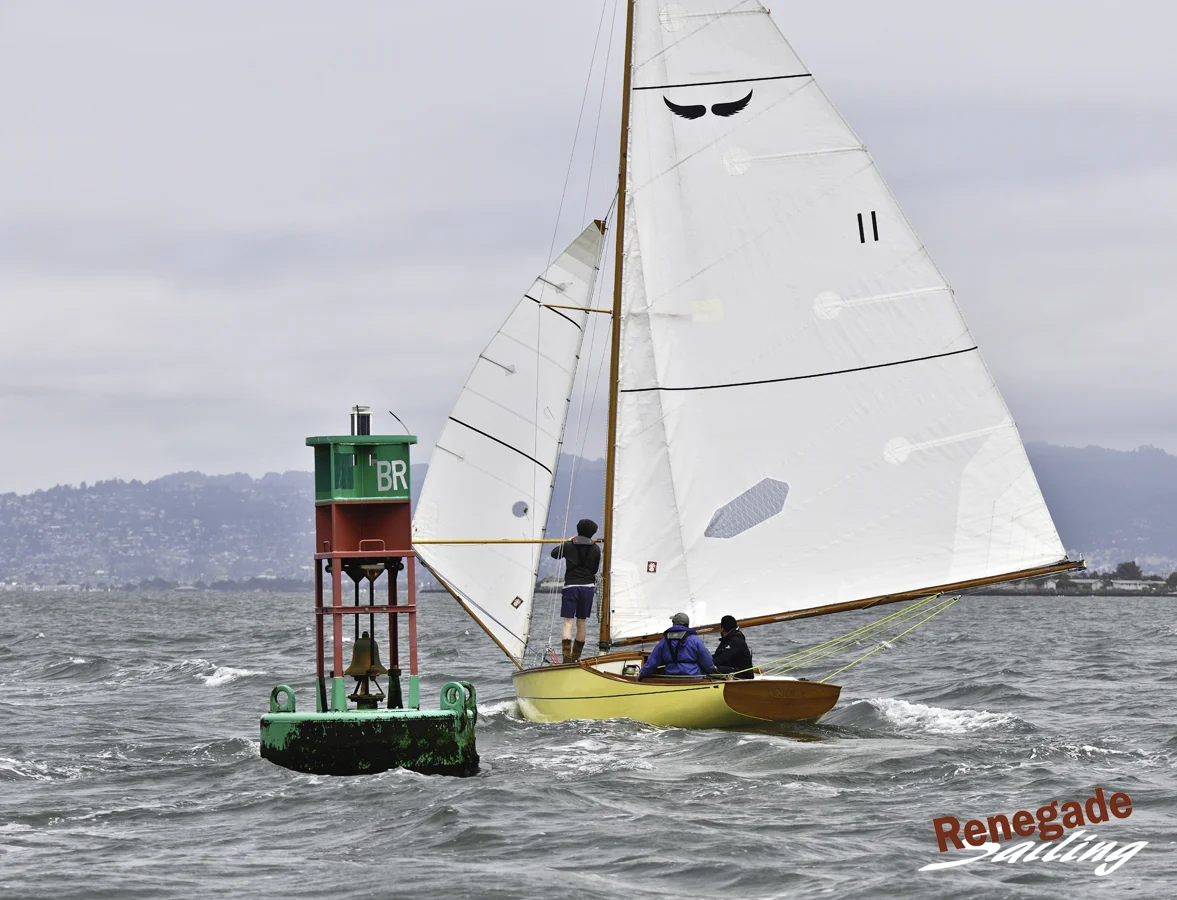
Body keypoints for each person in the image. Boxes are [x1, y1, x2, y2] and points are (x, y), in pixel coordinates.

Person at [550, 518, 601, 663]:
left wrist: (568, 541)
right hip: (587, 588)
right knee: (581, 622)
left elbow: (554, 554)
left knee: (568, 622)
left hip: (571, 586)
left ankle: (566, 659)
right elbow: (594, 569)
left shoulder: (569, 545)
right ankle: (576, 657)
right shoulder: (596, 548)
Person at [638, 613, 717, 678]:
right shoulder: (695, 640)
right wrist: (713, 671)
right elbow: (706, 661)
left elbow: (652, 662)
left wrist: (641, 674)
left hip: (671, 678)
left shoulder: (664, 641)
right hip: (694, 678)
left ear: (675, 624)